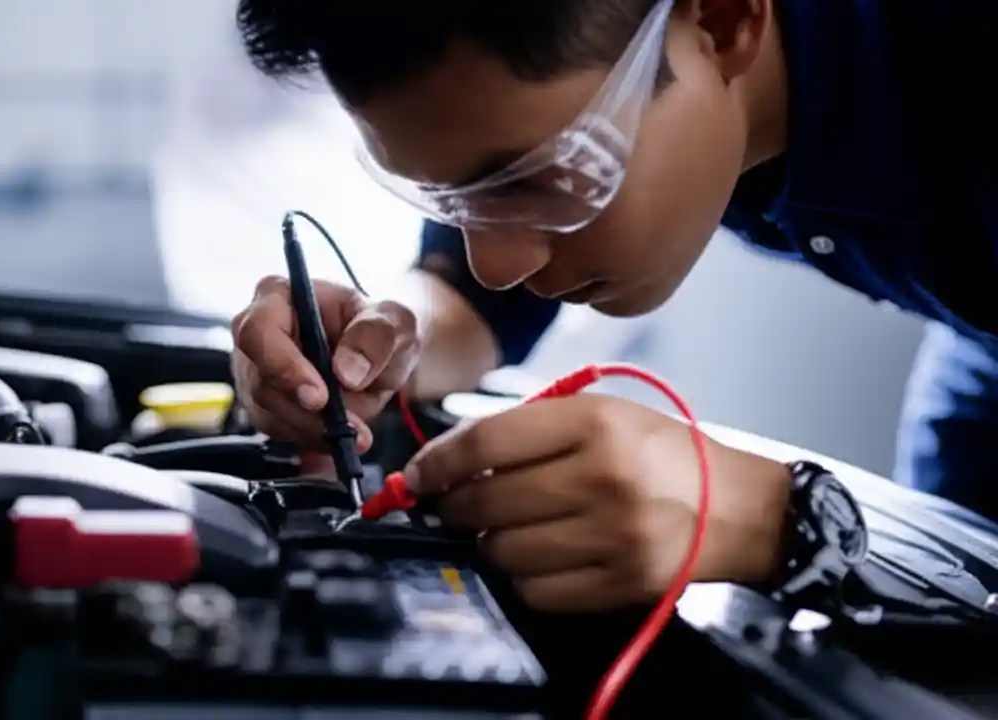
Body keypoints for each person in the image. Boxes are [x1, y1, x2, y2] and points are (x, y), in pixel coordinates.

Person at [227, 0, 998, 613]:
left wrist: (780, 519)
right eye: (451, 198)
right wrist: (382, 338)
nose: (494, 264)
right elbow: (467, 300)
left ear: (727, 19)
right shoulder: (583, 61)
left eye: (534, 181)